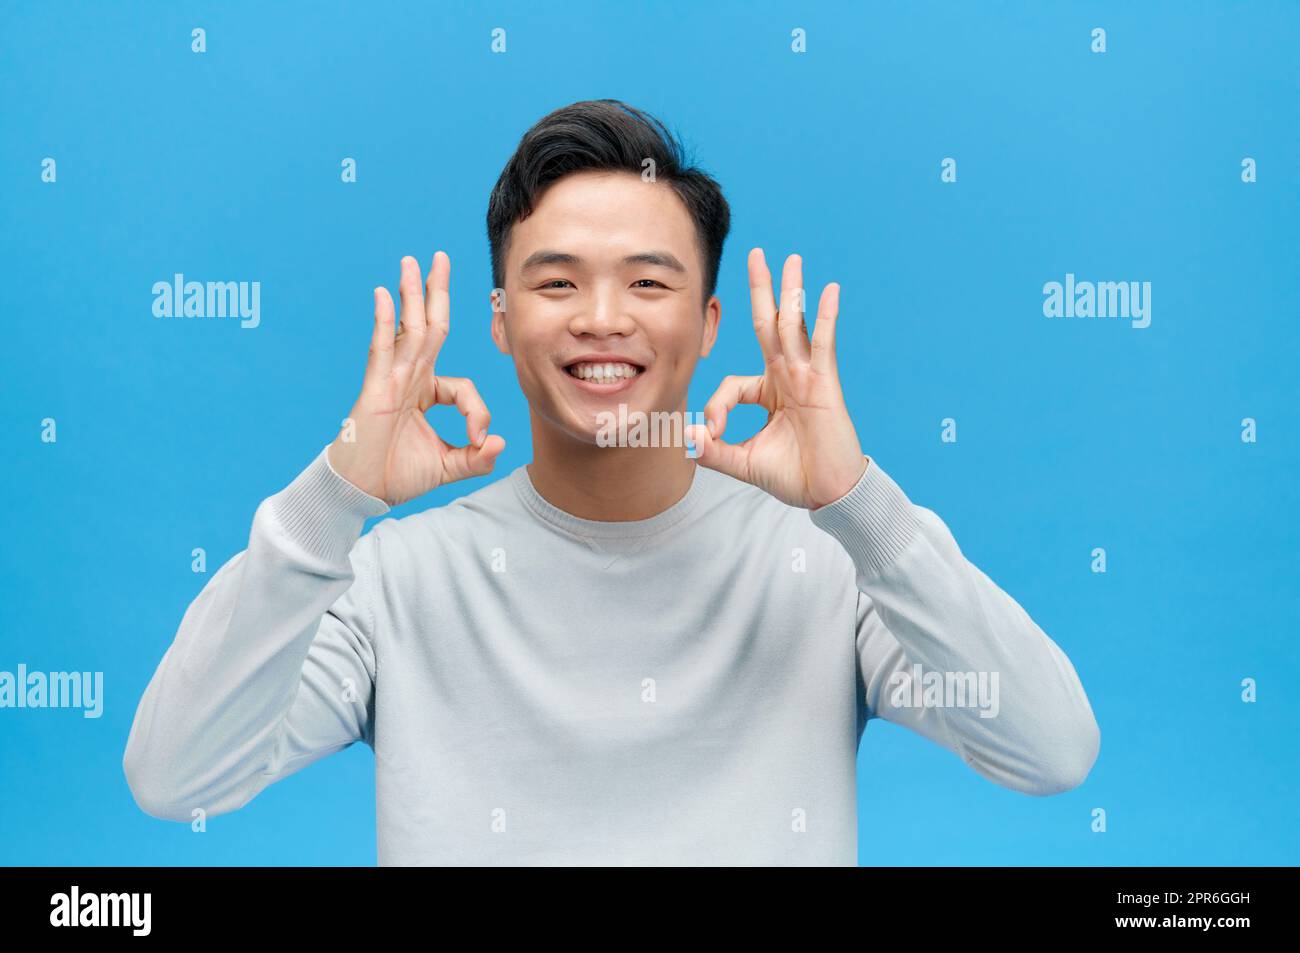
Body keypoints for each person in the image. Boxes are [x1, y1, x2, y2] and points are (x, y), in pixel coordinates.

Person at [123, 99, 1100, 865]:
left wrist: (862, 507)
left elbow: (1051, 749)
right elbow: (177, 776)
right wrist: (335, 495)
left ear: (711, 323)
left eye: (647, 281)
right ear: (500, 320)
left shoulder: (826, 566)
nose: (601, 318)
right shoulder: (392, 579)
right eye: (556, 283)